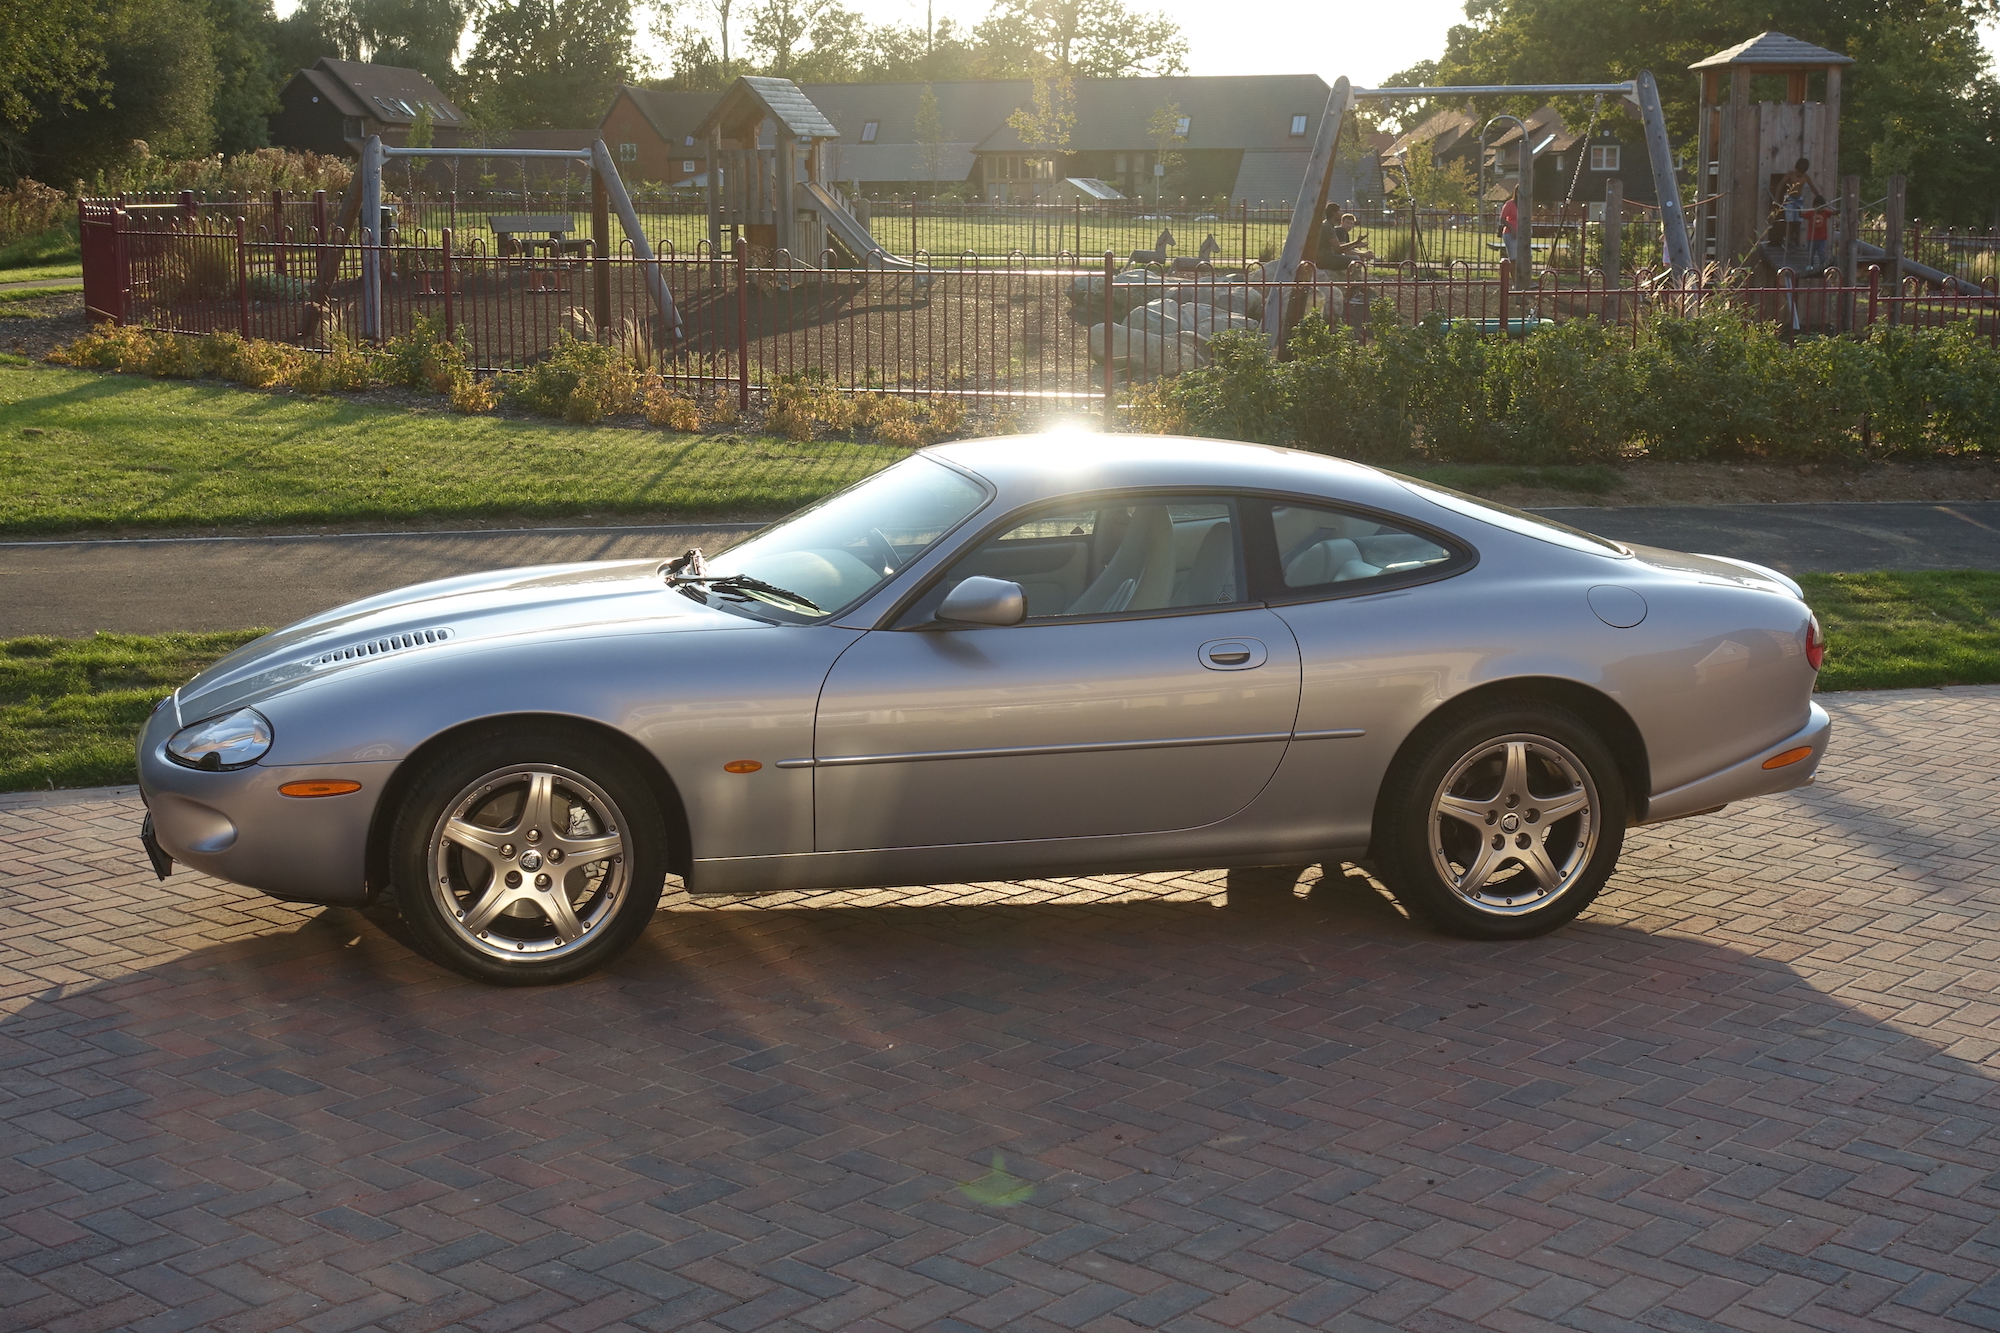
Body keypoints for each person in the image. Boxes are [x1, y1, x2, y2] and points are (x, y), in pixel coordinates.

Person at [1777, 157, 1822, 249]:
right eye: (1799, 172)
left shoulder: (1806, 178)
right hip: (1789, 199)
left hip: (1799, 200)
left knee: (1798, 220)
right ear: (1796, 168)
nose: (1800, 175)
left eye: (1802, 173)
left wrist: (1819, 198)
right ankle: (1786, 239)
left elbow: (1813, 188)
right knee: (1789, 220)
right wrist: (1776, 199)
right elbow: (1780, 185)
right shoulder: (1790, 174)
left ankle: (1794, 239)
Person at [1806, 197, 1835, 270]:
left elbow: (1834, 212)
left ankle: (1823, 265)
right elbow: (1802, 215)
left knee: (1822, 252)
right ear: (1814, 206)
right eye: (1817, 206)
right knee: (1810, 253)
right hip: (1811, 238)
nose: (1819, 208)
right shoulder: (1810, 213)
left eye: (1821, 207)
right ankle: (1810, 265)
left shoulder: (1825, 212)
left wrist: (1842, 209)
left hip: (1822, 238)